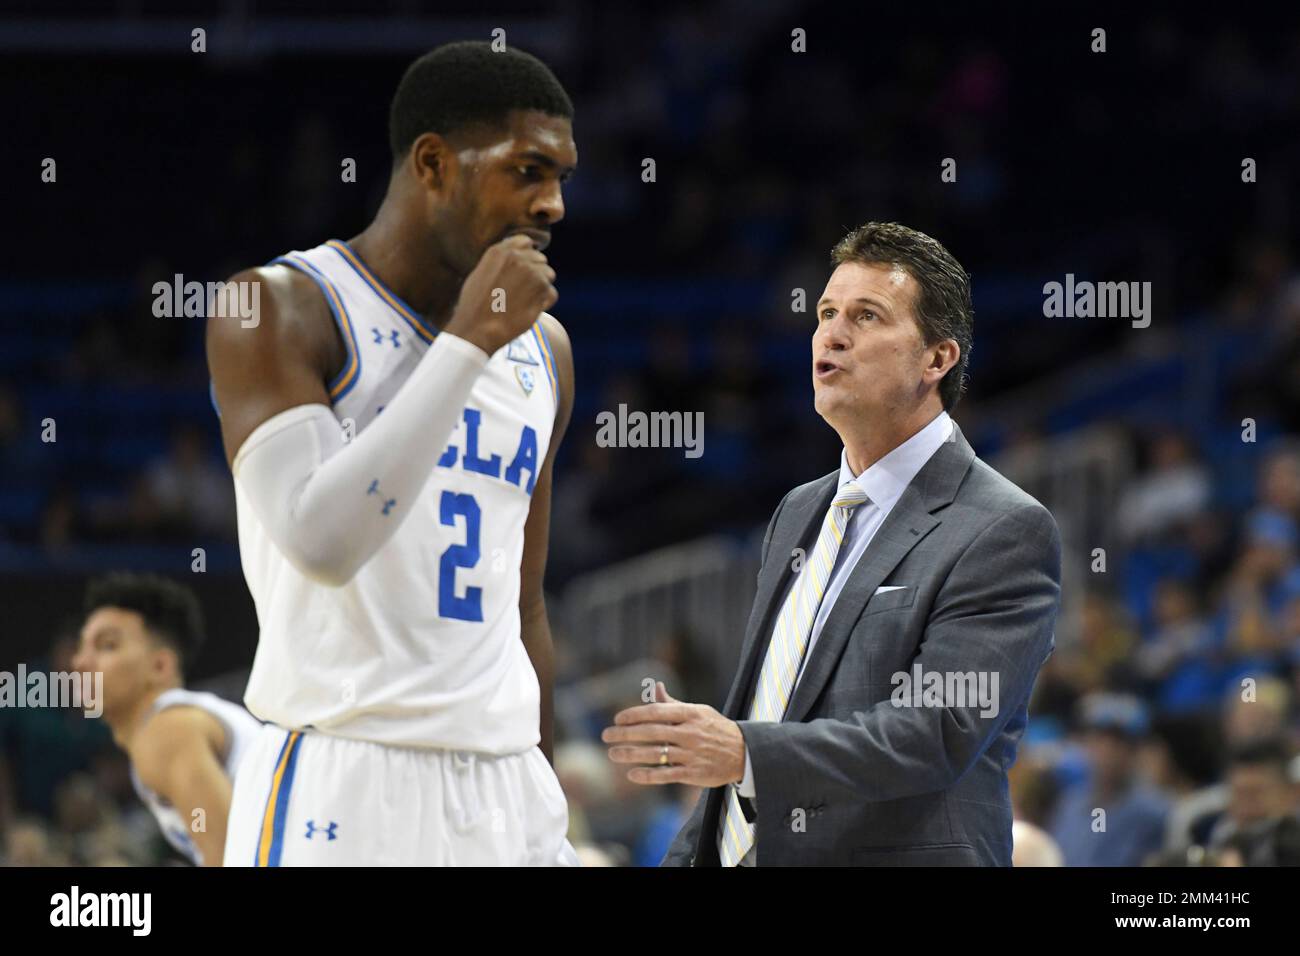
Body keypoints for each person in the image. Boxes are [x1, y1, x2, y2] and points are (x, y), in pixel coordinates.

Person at [206, 41, 578, 866]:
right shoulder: (279, 307)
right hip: (342, 776)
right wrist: (469, 341)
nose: (552, 204)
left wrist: (543, 785)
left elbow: (526, 608)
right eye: (527, 170)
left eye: (561, 179)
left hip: (505, 789)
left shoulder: (545, 349)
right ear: (434, 164)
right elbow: (320, 543)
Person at [604, 221, 1062, 865]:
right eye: (826, 313)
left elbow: (934, 733)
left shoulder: (1001, 527)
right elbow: (765, 709)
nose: (832, 334)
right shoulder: (799, 511)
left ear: (937, 359)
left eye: (867, 316)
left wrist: (742, 752)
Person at [72, 572, 260, 866]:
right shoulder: (175, 724)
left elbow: (230, 857)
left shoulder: (166, 731)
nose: (80, 663)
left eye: (106, 645)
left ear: (160, 666)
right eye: (82, 647)